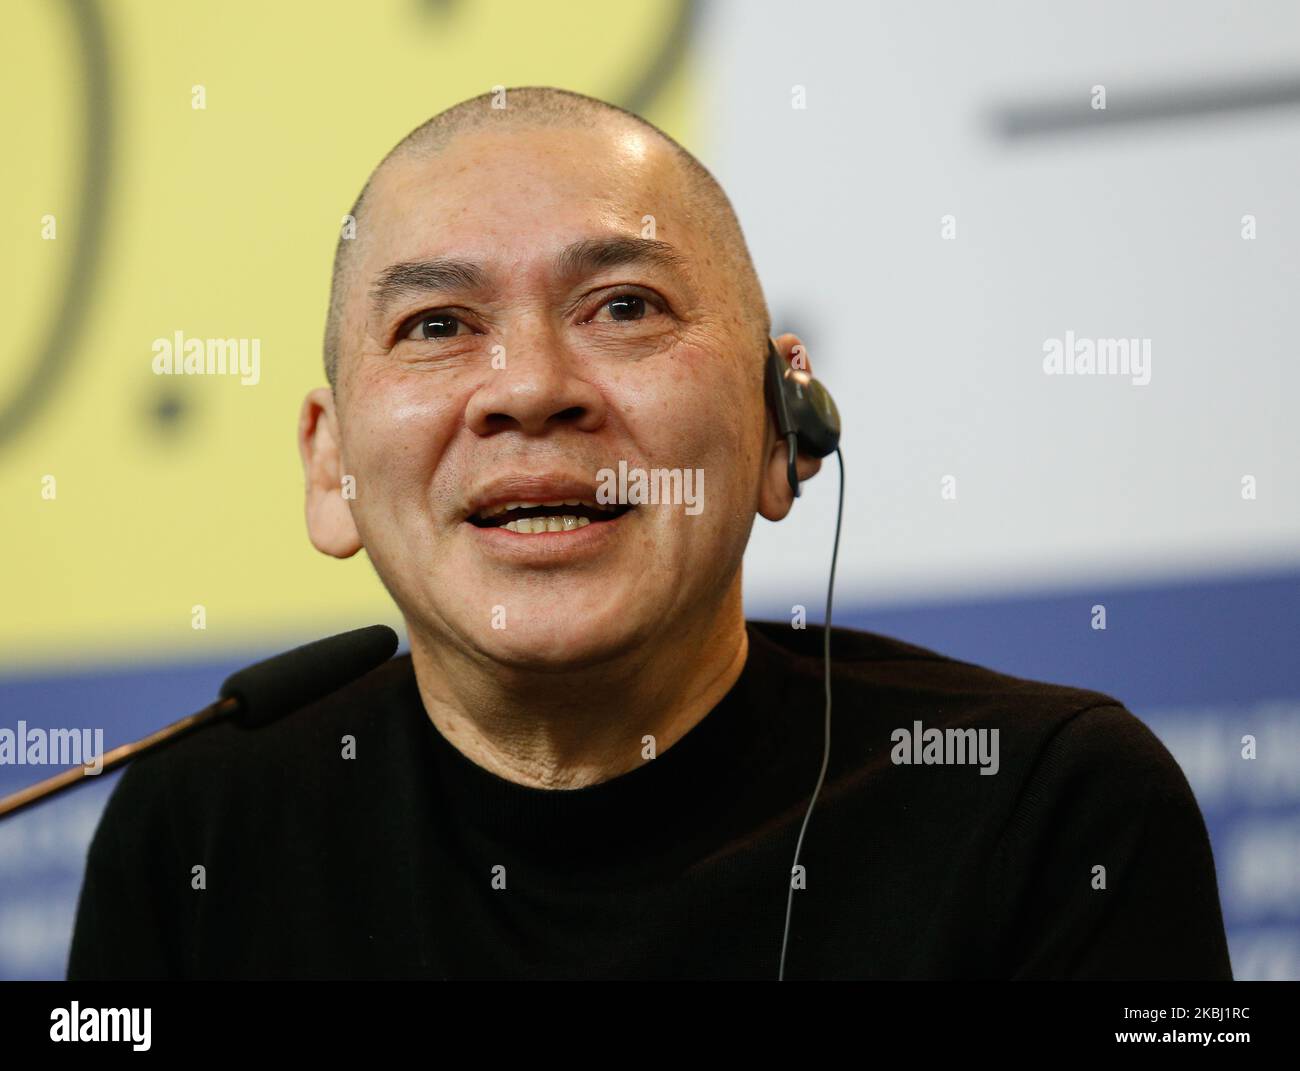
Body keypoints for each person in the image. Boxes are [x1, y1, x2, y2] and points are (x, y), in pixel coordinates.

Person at [67, 86, 1232, 980]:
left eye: (623, 307)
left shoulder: (1049, 805)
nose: (528, 387)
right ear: (331, 469)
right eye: (436, 324)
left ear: (784, 428)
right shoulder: (199, 832)